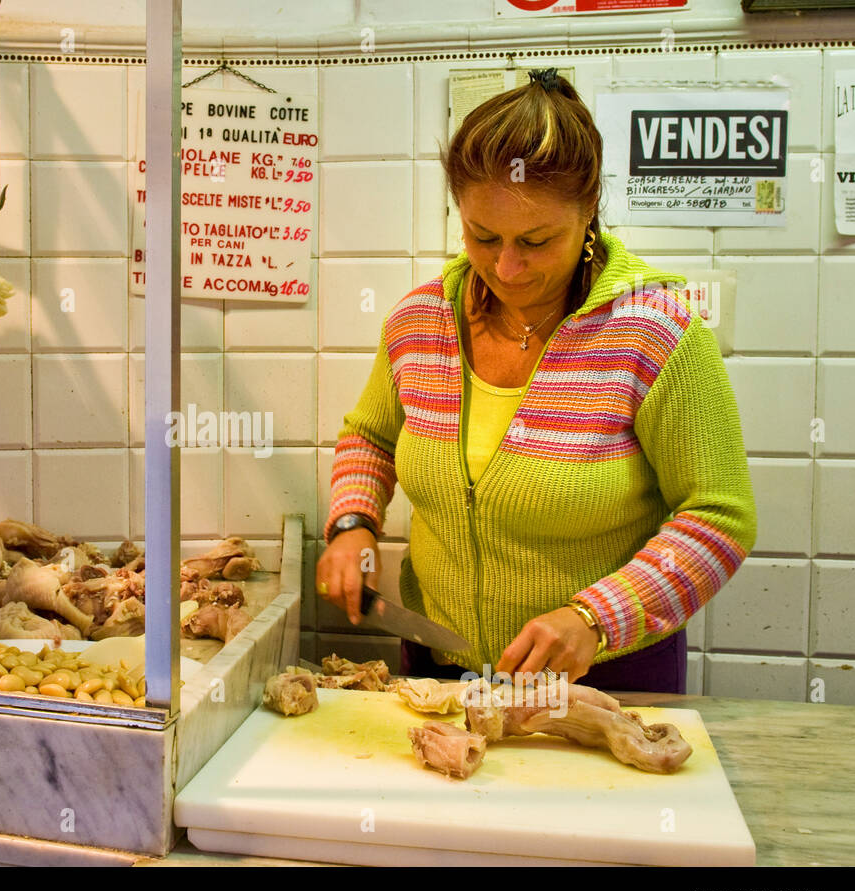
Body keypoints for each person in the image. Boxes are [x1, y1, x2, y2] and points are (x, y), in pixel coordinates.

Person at [316, 68, 757, 694]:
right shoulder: (421, 322)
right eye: (482, 236)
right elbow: (370, 438)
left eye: (537, 240)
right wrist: (351, 523)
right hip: (438, 671)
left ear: (588, 215)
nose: (507, 267)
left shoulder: (653, 332)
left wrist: (594, 619)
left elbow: (719, 516)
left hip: (603, 679)